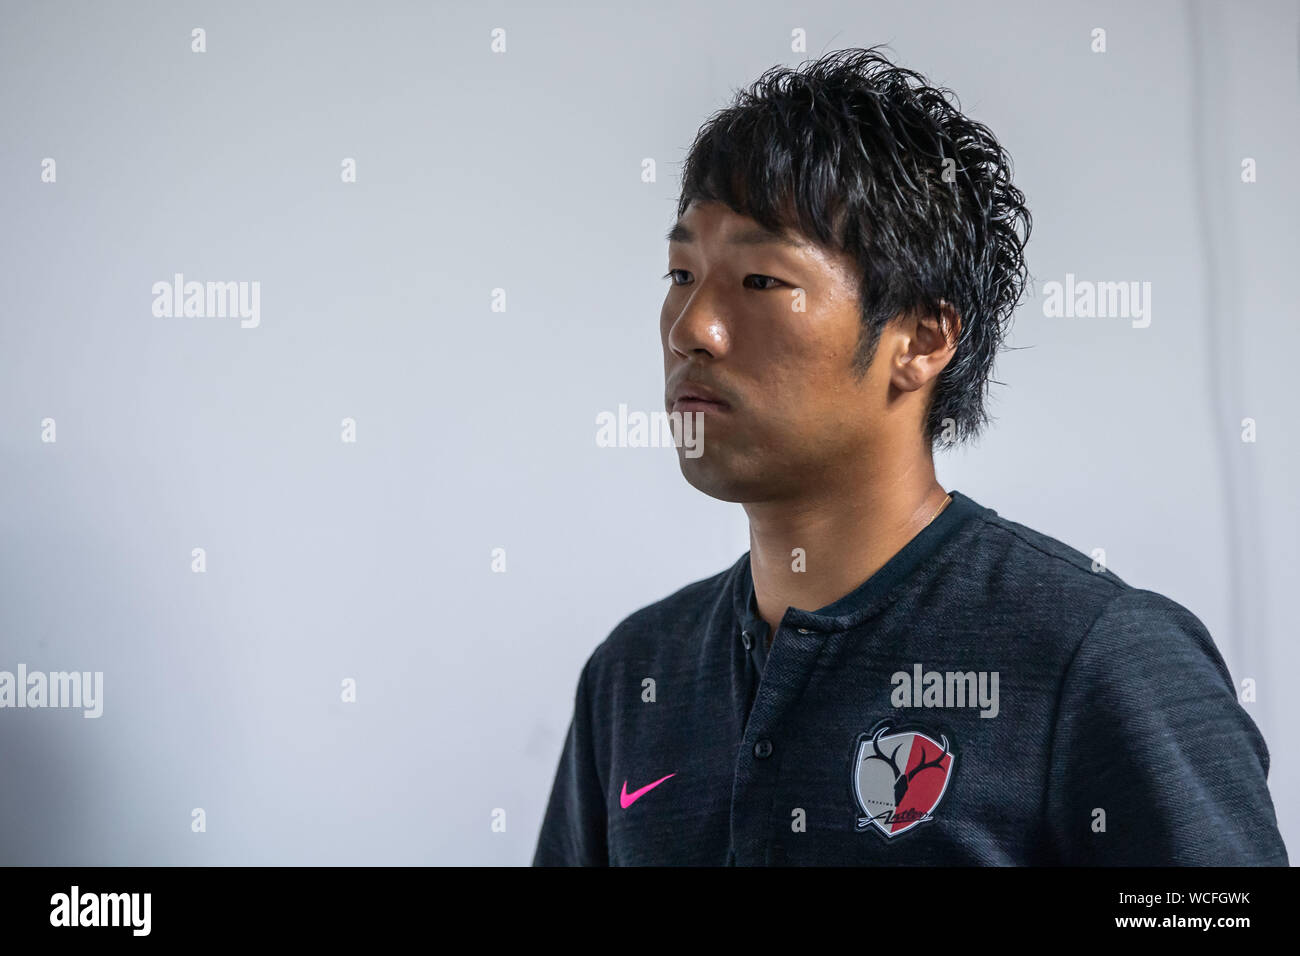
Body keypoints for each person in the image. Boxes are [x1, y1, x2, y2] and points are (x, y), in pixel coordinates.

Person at [532, 46, 1288, 866]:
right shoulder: (635, 678)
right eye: (680, 273)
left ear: (921, 340)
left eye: (758, 282)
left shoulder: (1101, 661)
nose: (691, 328)